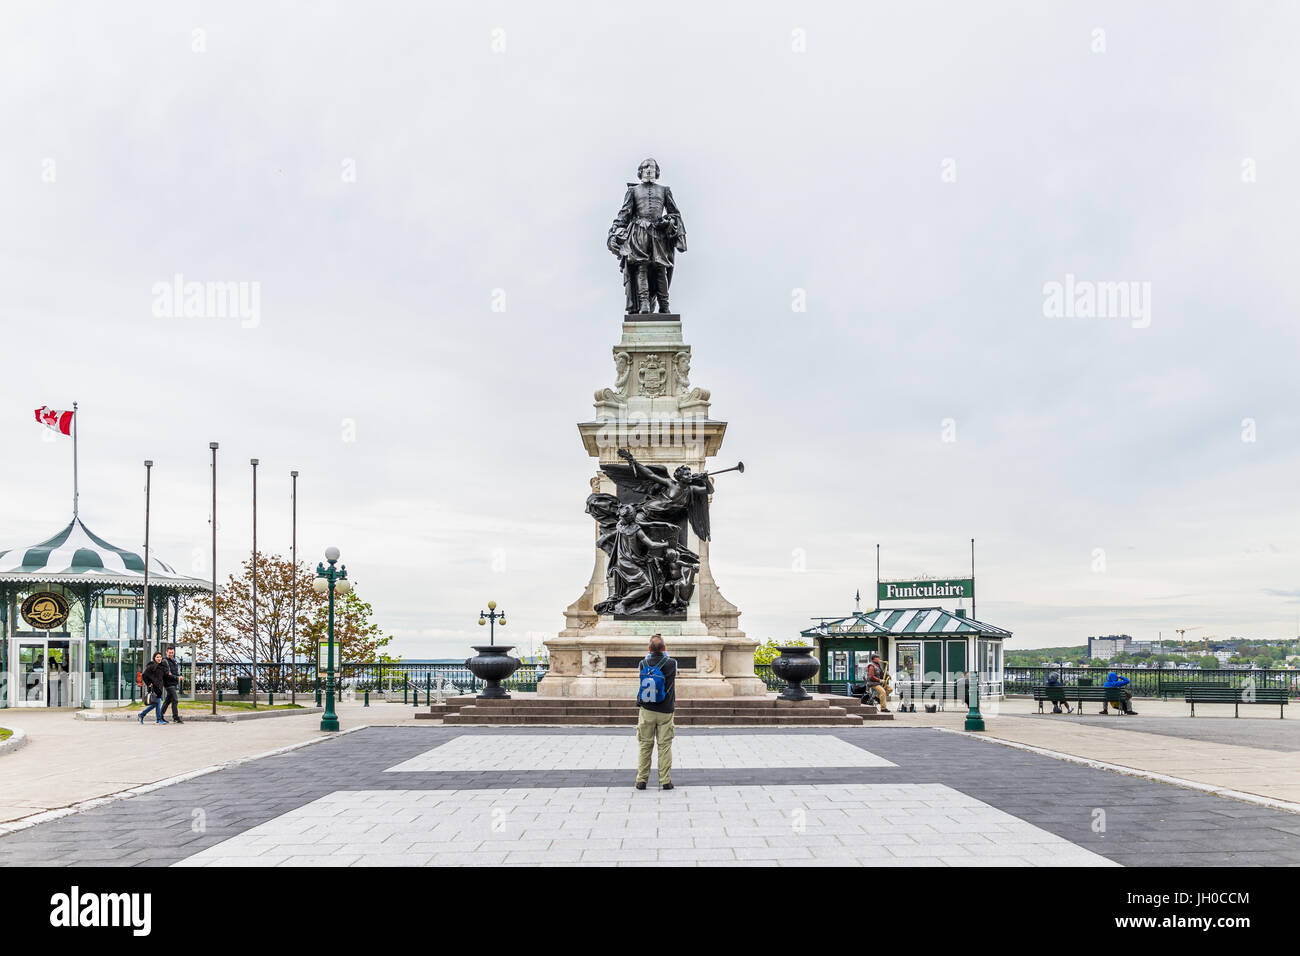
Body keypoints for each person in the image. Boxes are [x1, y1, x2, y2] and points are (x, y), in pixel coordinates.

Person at [634, 634, 677, 791]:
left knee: (645, 745)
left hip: (647, 710)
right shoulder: (672, 663)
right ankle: (665, 781)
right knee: (664, 746)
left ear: (649, 649)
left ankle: (641, 780)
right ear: (665, 648)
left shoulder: (643, 663)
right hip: (666, 710)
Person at [138, 652, 169, 725]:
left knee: (156, 704)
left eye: (160, 657)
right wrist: (148, 683)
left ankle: (142, 715)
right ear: (154, 658)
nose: (159, 658)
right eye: (157, 657)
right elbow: (144, 675)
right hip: (154, 688)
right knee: (158, 703)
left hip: (159, 687)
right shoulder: (152, 666)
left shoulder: (161, 667)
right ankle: (159, 720)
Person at [162, 646, 184, 723]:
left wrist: (177, 676)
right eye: (169, 652)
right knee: (175, 699)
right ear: (166, 652)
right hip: (168, 683)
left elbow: (174, 672)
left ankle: (160, 715)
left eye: (172, 652)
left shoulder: (174, 661)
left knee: (168, 700)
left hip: (173, 683)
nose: (171, 654)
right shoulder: (165, 661)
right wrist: (177, 677)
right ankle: (175, 717)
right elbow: (167, 674)